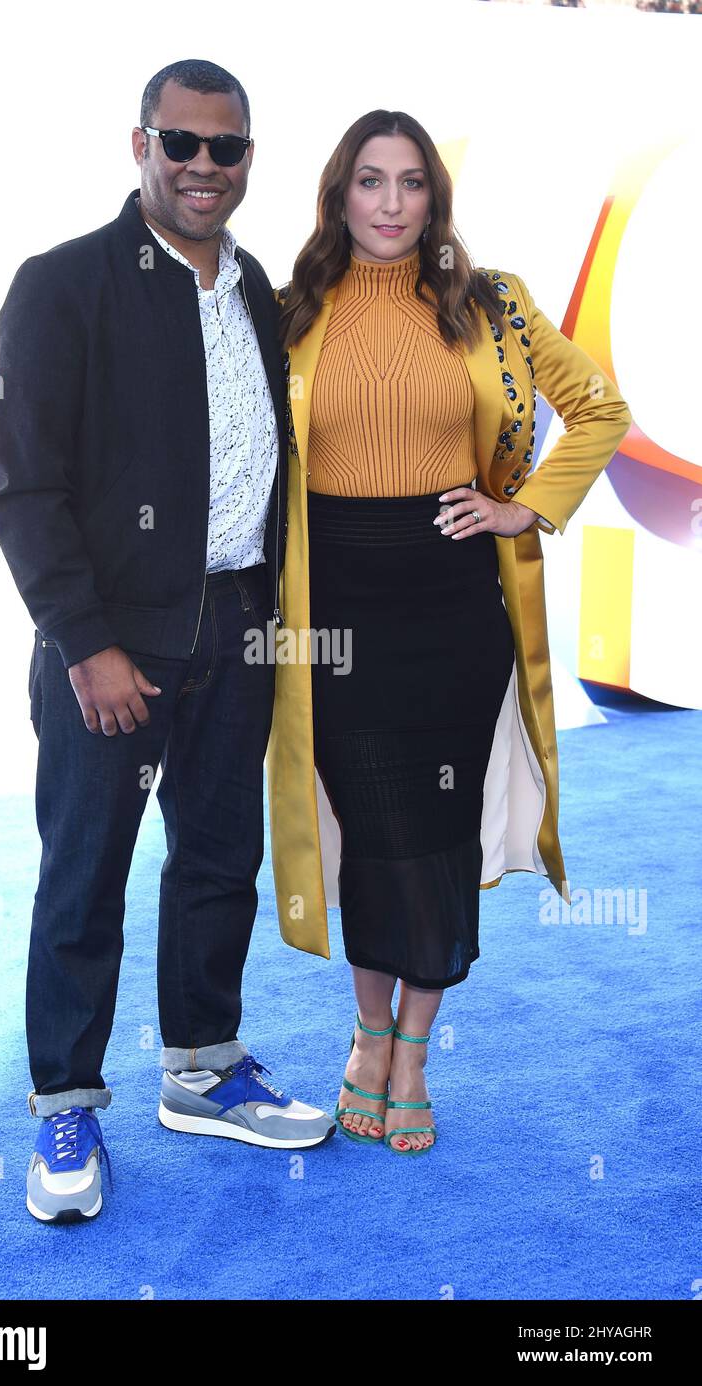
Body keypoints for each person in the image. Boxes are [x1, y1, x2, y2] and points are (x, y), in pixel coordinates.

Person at [0, 58, 335, 1224]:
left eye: (224, 148)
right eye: (179, 143)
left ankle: (201, 1066)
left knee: (217, 857)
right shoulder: (63, 285)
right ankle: (66, 1104)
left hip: (239, 627)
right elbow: (26, 489)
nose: (201, 166)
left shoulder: (256, 293)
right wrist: (84, 643)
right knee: (84, 875)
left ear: (247, 160)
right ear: (137, 143)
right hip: (112, 648)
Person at [266, 110, 632, 1155]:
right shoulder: (290, 310)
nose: (389, 204)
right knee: (373, 832)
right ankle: (364, 1033)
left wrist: (530, 503)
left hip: (451, 607)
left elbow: (597, 406)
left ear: (436, 197)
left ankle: (411, 1053)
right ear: (339, 195)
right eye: (369, 182)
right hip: (331, 614)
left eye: (410, 183)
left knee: (430, 837)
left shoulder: (490, 305)